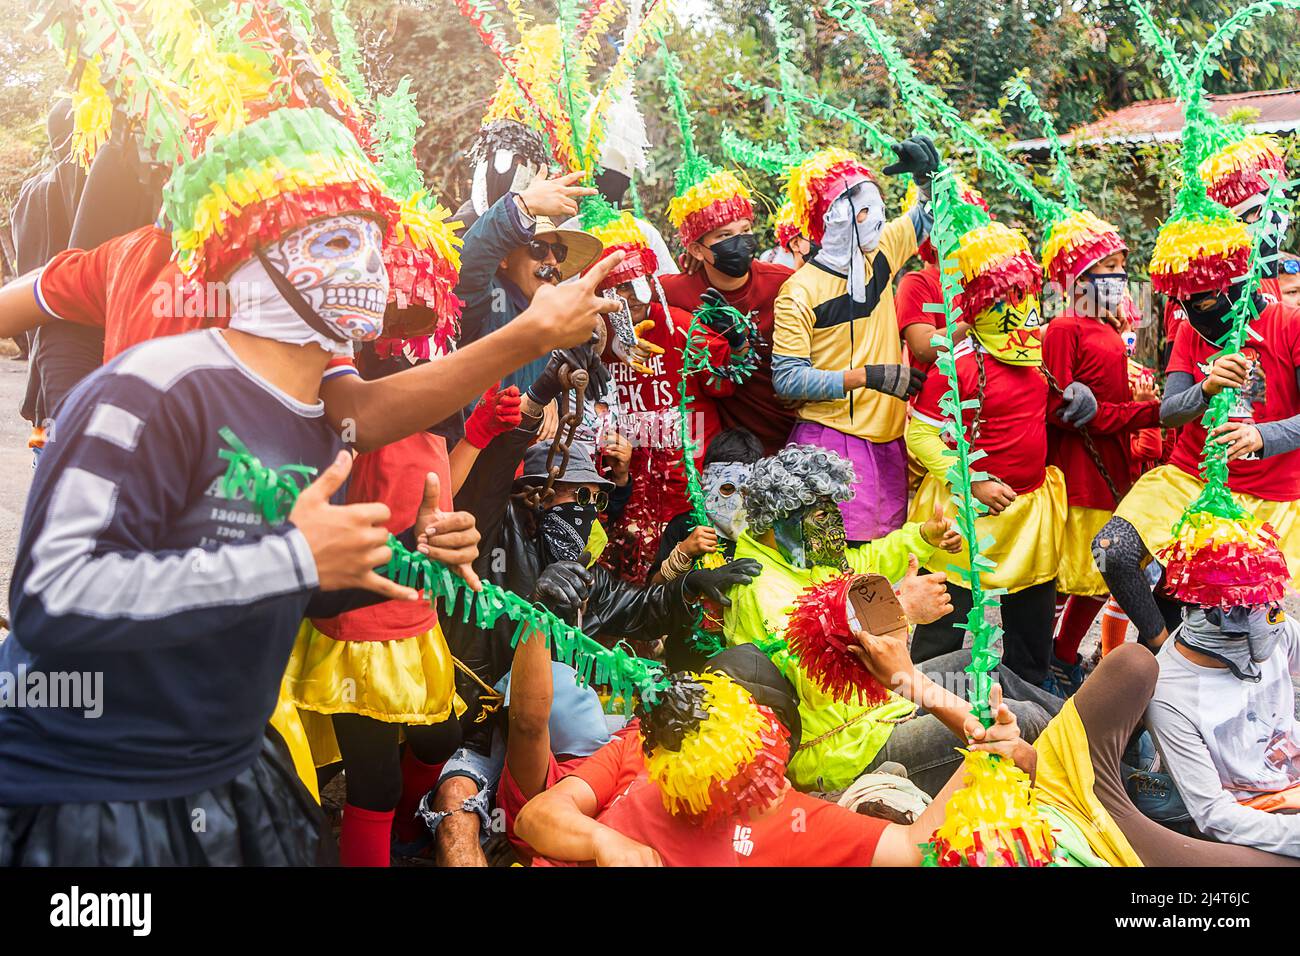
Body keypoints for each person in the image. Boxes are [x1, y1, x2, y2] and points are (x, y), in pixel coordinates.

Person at [0, 108, 488, 866]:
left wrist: (405, 557)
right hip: (94, 784)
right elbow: (53, 600)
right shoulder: (150, 385)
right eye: (334, 241)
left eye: (371, 245)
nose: (365, 272)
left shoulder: (312, 403)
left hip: (221, 763)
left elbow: (286, 577)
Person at [425, 371, 761, 865]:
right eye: (577, 496)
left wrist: (686, 585)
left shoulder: (587, 575)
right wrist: (538, 395)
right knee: (455, 810)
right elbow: (488, 482)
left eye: (596, 499)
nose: (589, 512)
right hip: (483, 727)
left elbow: (641, 609)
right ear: (533, 497)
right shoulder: (489, 543)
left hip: (578, 751)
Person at [513, 627, 1030, 866]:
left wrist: (983, 746)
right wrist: (608, 843)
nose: (712, 724)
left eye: (740, 714)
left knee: (1022, 721)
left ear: (776, 749)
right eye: (710, 702)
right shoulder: (641, 750)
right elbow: (534, 817)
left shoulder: (797, 819)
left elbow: (914, 848)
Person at [719, 444, 1057, 794]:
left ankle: (1097, 735)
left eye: (835, 507)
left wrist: (924, 536)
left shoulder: (801, 558)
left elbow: (866, 562)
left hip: (880, 704)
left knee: (980, 664)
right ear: (777, 523)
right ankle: (1081, 785)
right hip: (844, 749)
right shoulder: (759, 587)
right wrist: (900, 611)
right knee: (1026, 718)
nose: (836, 520)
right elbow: (815, 671)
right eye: (822, 515)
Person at [906, 199, 1068, 688]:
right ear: (975, 303)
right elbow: (920, 433)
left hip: (1029, 511)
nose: (1017, 309)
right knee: (940, 632)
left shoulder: (1040, 349)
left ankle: (1030, 719)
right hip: (964, 513)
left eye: (1023, 296)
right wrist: (971, 481)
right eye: (1003, 299)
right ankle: (922, 715)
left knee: (1031, 636)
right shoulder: (958, 365)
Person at [772, 141, 939, 541]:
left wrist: (928, 180)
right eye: (863, 212)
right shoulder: (800, 291)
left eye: (877, 209)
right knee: (840, 570)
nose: (875, 221)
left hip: (888, 443)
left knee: (887, 567)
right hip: (829, 443)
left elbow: (925, 217)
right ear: (833, 220)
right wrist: (867, 377)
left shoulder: (881, 252)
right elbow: (787, 380)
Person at [658, 46, 797, 456]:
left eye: (745, 230)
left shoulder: (782, 284)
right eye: (723, 237)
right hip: (727, 454)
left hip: (791, 436)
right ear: (697, 249)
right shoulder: (673, 293)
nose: (739, 242)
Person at [1041, 220, 1161, 694]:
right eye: (1108, 267)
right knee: (1069, 570)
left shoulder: (1111, 328)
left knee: (1100, 573)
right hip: (1078, 469)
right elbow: (1053, 403)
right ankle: (1039, 658)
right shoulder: (1064, 326)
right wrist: (1124, 413)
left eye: (1122, 267)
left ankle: (1065, 655)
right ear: (1079, 276)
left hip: (1114, 461)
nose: (1119, 276)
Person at [1145, 603, 1300, 858]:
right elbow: (1214, 815)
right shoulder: (1169, 695)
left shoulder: (1268, 622)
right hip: (1257, 810)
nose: (1274, 614)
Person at [452, 170, 605, 396]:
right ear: (504, 259)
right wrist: (522, 206)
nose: (552, 260)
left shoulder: (554, 321)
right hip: (473, 431)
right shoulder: (489, 297)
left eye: (559, 252)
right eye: (538, 249)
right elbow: (469, 270)